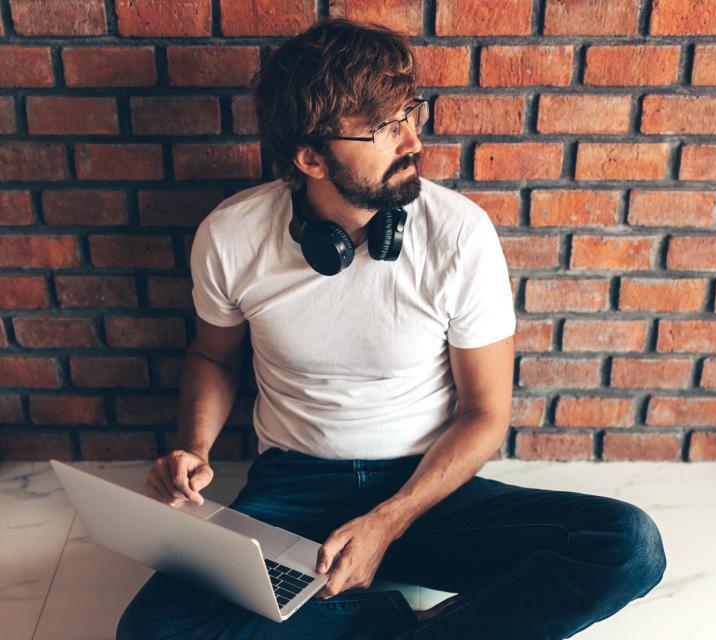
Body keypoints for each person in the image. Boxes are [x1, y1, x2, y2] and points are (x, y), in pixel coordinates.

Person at [116, 17, 666, 640]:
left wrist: (389, 520)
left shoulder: (459, 234)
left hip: (427, 488)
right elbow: (213, 358)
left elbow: (485, 413)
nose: (412, 141)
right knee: (154, 630)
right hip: (293, 490)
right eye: (382, 128)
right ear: (310, 157)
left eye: (410, 113)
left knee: (627, 547)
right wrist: (195, 448)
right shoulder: (231, 235)